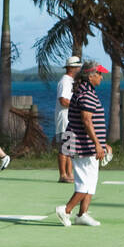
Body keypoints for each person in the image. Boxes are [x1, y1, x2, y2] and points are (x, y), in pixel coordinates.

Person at [56, 61, 110, 227]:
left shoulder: (86, 91)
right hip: (81, 143)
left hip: (85, 143)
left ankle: (82, 214)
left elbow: (93, 121)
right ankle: (66, 210)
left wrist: (102, 143)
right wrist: (98, 145)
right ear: (91, 75)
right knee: (84, 183)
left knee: (91, 181)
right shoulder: (86, 94)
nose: (101, 77)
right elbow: (87, 121)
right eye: (99, 74)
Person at [55, 55, 81, 183]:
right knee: (65, 148)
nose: (79, 69)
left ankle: (69, 173)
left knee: (70, 149)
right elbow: (63, 100)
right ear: (71, 68)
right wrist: (77, 104)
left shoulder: (70, 81)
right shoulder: (65, 81)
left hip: (69, 119)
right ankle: (63, 174)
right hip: (64, 119)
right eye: (77, 66)